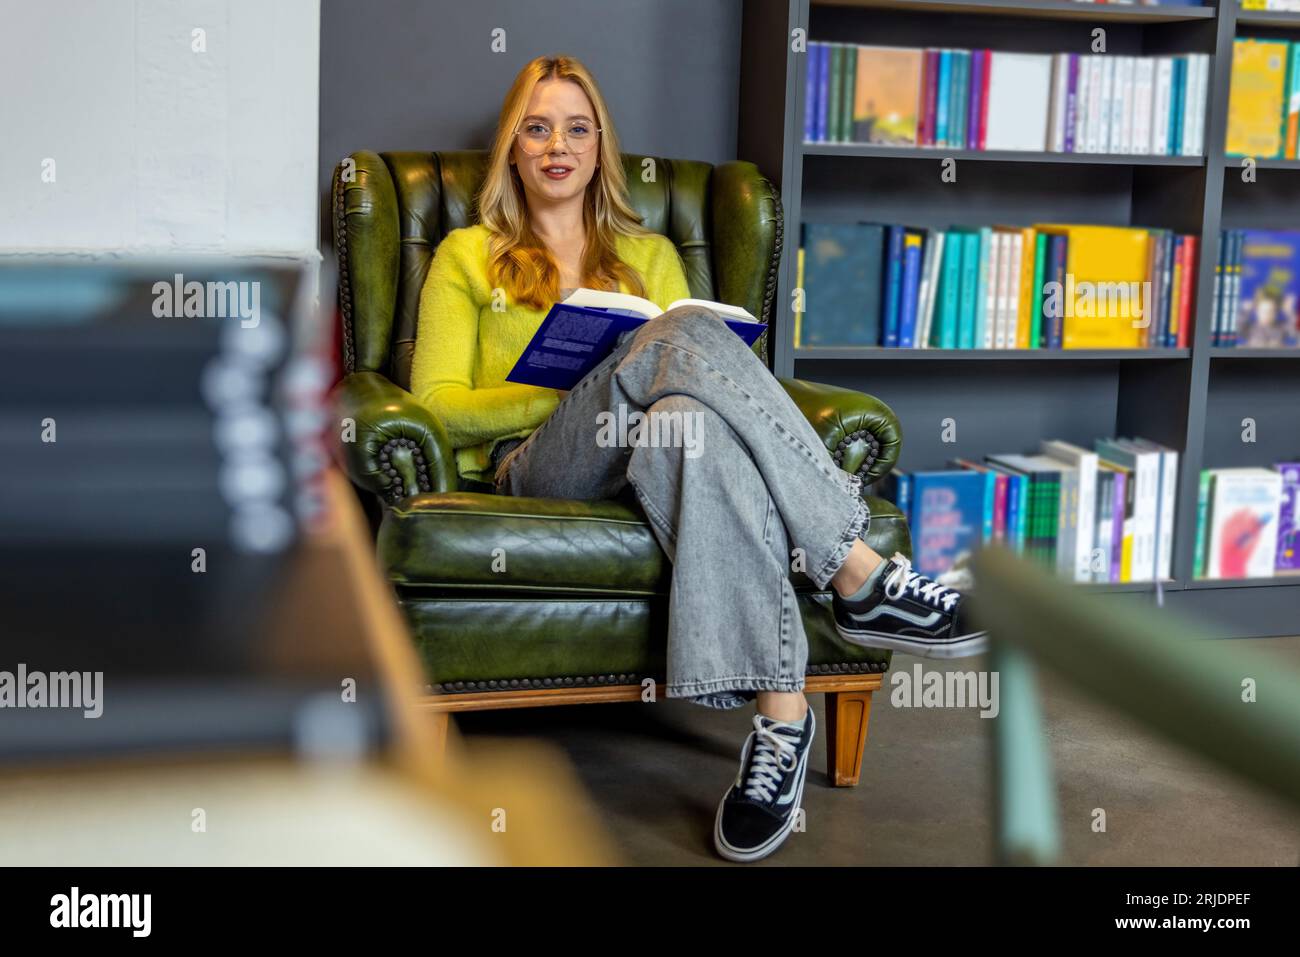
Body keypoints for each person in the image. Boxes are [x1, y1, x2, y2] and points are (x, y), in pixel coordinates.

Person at [411, 54, 989, 863]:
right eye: (536, 128)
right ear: (512, 146)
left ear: (600, 146)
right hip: (537, 463)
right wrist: (575, 384)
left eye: (577, 129)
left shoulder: (647, 255)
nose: (557, 146)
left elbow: (684, 365)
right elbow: (434, 406)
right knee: (672, 344)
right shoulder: (468, 255)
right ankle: (860, 569)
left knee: (693, 414)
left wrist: (638, 369)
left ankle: (780, 733)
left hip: (653, 448)